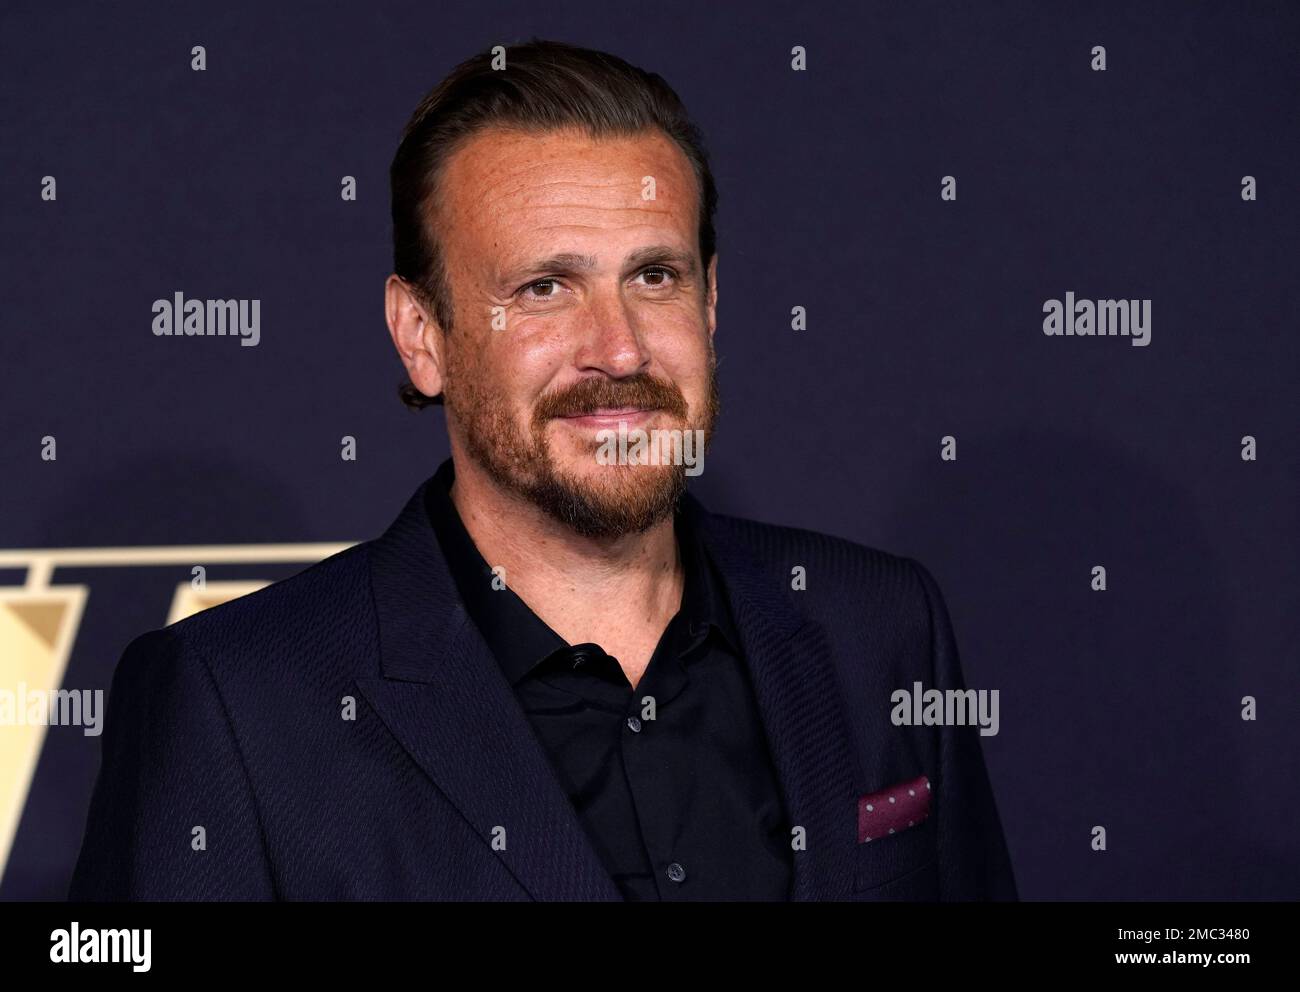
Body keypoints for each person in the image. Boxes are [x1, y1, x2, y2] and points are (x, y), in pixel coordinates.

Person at [69, 38, 1016, 901]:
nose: (620, 348)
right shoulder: (236, 707)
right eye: (544, 288)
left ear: (713, 300)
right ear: (423, 337)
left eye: (655, 277)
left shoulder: (877, 627)